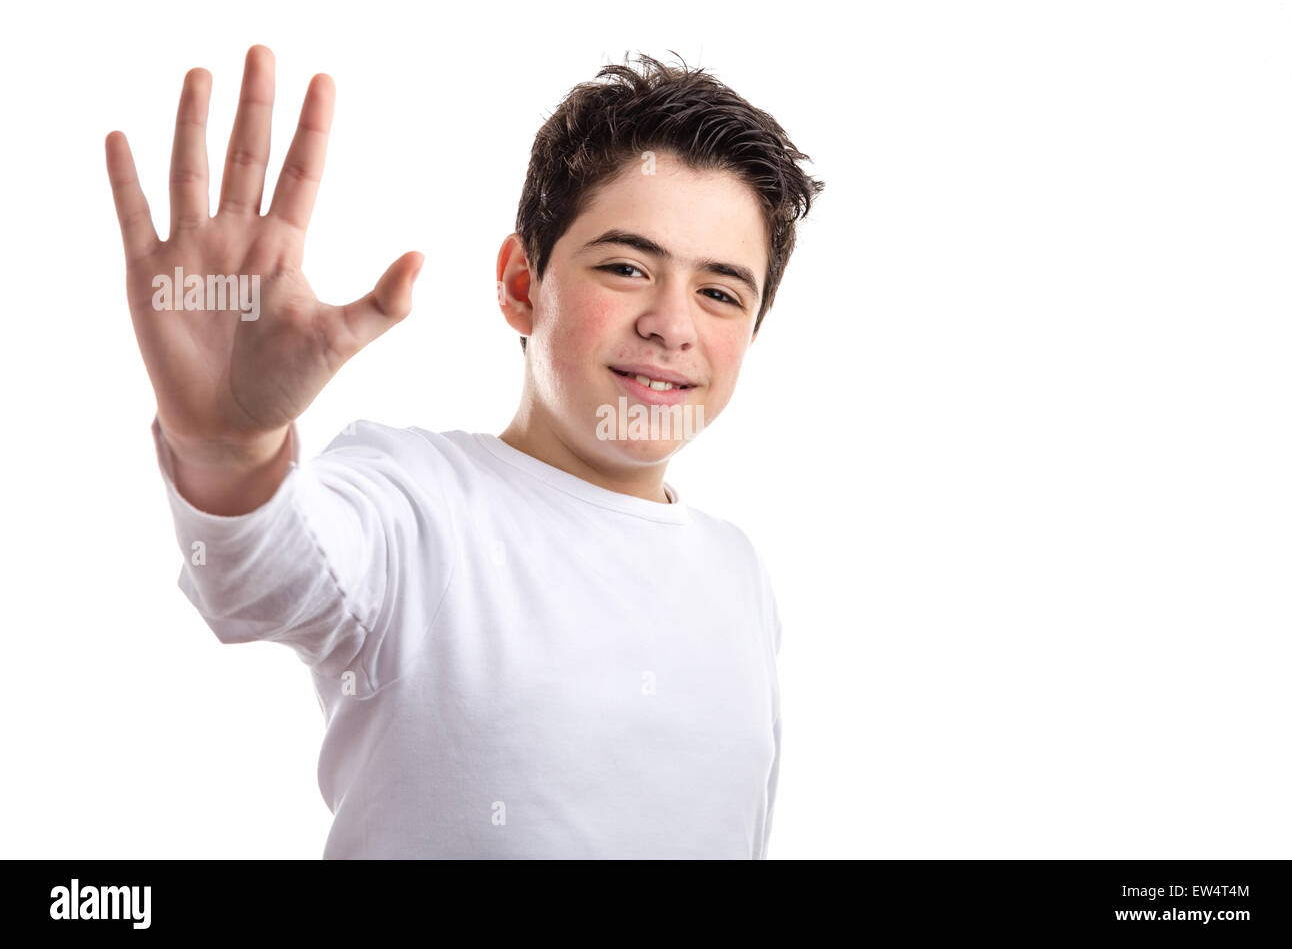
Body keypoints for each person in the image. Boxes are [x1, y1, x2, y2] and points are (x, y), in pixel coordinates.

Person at [105, 44, 824, 859]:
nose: (673, 323)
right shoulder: (418, 499)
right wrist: (229, 447)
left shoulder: (739, 572)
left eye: (721, 292)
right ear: (522, 285)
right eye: (627, 266)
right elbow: (258, 577)